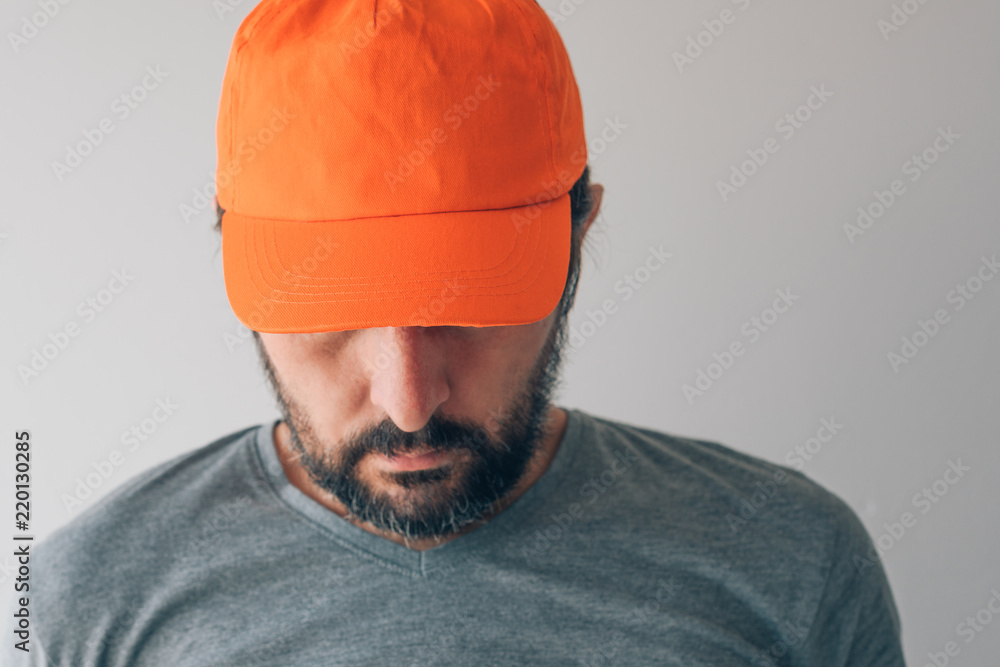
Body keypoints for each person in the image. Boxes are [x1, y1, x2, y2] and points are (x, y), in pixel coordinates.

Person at [6, 0, 906, 664]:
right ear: (226, 242)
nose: (407, 401)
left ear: (578, 231)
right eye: (334, 309)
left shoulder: (794, 561)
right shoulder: (78, 605)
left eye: (467, 303)